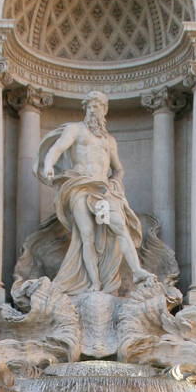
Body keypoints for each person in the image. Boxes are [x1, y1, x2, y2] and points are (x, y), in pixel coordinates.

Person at [36, 90, 155, 296]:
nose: (93, 110)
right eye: (90, 106)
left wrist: (116, 181)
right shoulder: (76, 130)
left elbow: (118, 169)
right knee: (86, 235)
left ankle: (136, 271)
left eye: (97, 106)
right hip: (79, 186)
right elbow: (56, 149)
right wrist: (48, 166)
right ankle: (94, 283)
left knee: (120, 226)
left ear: (104, 110)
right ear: (85, 109)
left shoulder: (109, 141)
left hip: (102, 190)